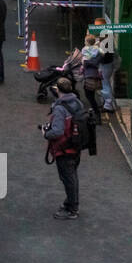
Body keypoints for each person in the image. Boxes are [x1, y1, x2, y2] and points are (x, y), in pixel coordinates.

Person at [44, 77, 83, 219]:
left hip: (64, 148)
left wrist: (46, 133)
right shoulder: (78, 102)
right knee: (72, 177)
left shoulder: (60, 108)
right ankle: (70, 202)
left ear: (57, 90)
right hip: (76, 145)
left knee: (68, 179)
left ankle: (72, 208)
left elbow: (58, 131)